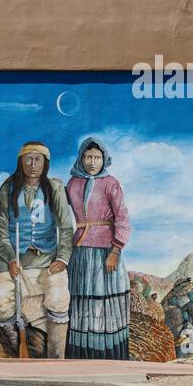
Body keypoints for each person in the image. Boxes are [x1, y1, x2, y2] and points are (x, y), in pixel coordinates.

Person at [0, 140, 74, 358]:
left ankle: (56, 359)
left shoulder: (54, 188)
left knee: (58, 296)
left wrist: (63, 258)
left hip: (47, 259)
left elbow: (65, 227)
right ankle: (17, 352)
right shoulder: (8, 189)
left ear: (45, 163)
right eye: (28, 159)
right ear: (21, 162)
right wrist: (10, 258)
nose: (33, 164)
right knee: (0, 300)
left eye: (38, 159)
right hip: (14, 261)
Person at [64, 137, 131, 359]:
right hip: (81, 252)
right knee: (82, 300)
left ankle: (108, 354)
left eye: (97, 157)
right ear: (81, 157)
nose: (93, 162)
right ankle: (82, 353)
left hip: (105, 252)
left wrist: (116, 250)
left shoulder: (111, 183)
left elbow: (122, 217)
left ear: (104, 159)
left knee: (103, 301)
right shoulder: (73, 183)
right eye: (89, 156)